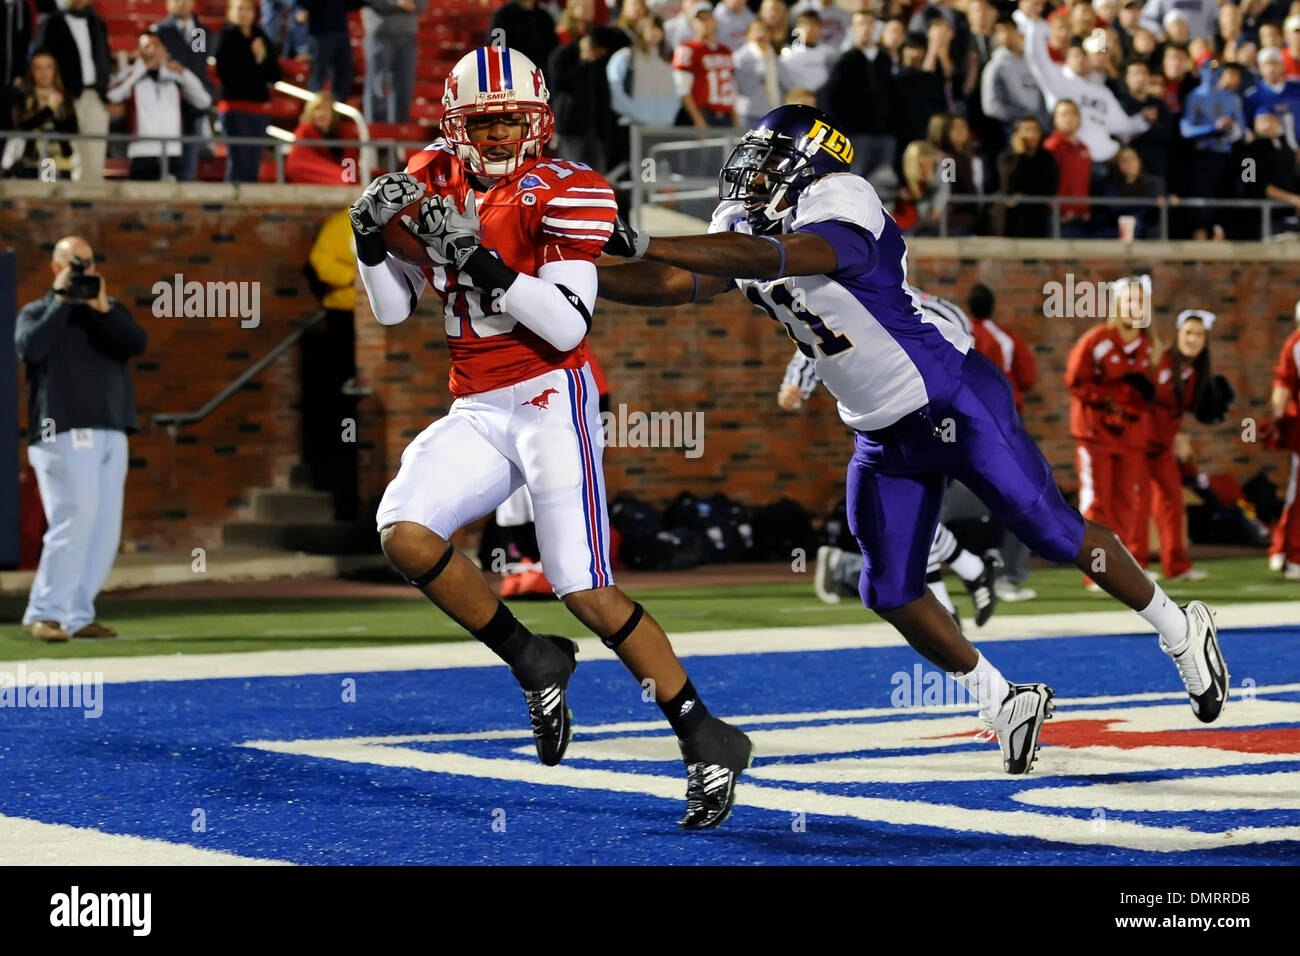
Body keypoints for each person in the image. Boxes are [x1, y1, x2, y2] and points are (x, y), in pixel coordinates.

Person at [597, 104, 1229, 776]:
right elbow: (677, 281)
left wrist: (643, 238)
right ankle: (1003, 700)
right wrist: (581, 273)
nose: (753, 175)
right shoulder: (741, 223)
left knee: (1052, 533)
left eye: (772, 159)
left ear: (809, 165)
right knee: (889, 588)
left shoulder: (844, 199)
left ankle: (1180, 627)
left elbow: (779, 255)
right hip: (880, 433)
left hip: (950, 396)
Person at [348, 45, 752, 829]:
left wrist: (477, 257)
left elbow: (567, 322)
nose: (497, 135)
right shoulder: (429, 175)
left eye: (510, 120)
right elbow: (394, 311)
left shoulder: (567, 189)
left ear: (537, 121)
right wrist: (370, 241)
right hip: (476, 403)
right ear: (456, 124)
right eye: (483, 121)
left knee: (583, 586)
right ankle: (532, 655)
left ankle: (704, 734)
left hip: (547, 394)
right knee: (403, 534)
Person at [780, 285, 1002, 627]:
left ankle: (951, 598)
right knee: (899, 515)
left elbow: (960, 360)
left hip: (924, 417)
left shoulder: (925, 309)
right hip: (879, 422)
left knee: (905, 513)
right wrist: (796, 382)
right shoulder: (844, 304)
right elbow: (814, 336)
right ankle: (968, 574)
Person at [16, 236, 147, 643]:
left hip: (112, 429)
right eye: (74, 263)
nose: (83, 271)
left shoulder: (106, 313)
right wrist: (61, 301)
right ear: (57, 268)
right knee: (73, 519)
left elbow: (134, 343)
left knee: (104, 528)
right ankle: (44, 613)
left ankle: (76, 613)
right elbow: (29, 349)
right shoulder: (38, 311)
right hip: (63, 430)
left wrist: (101, 307)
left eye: (88, 263)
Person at [1133, 309, 1232, 581]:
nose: (1193, 339)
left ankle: (1176, 566)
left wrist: (1179, 435)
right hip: (1139, 443)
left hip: (1163, 447)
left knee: (1172, 503)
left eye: (1199, 334)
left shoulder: (1195, 372)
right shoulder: (1159, 360)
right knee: (1139, 505)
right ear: (1178, 335)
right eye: (1188, 332)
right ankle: (1137, 566)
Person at [967, 282, 1038, 601]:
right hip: (1000, 426)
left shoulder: (953, 331)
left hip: (954, 425)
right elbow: (1028, 378)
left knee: (936, 502)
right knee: (1019, 497)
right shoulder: (1005, 338)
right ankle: (1008, 576)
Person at [107, 31, 212, 181]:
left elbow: (204, 101)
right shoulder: (129, 76)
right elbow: (112, 96)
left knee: (170, 202)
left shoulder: (175, 77)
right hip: (141, 153)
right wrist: (140, 71)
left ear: (164, 50)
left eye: (156, 45)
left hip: (172, 152)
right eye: (146, 46)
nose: (152, 50)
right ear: (138, 51)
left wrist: (183, 72)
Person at [31, 0, 110, 182]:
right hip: (62, 97)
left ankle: (90, 204)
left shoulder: (97, 23)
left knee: (94, 156)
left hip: (94, 97)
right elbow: (40, 58)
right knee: (55, 153)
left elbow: (104, 58)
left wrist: (105, 91)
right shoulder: (51, 23)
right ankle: (48, 201)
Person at [820, 9, 894, 179]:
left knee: (884, 184)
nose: (865, 29)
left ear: (875, 28)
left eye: (869, 24)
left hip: (884, 134)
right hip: (856, 135)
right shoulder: (845, 60)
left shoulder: (885, 58)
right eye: (861, 24)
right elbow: (833, 98)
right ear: (852, 29)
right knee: (854, 181)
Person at [214, 0, 281, 184]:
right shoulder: (225, 36)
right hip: (234, 108)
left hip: (259, 110)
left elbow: (275, 74)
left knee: (253, 164)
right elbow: (226, 74)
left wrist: (261, 60)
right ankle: (233, 207)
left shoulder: (260, 35)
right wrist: (255, 62)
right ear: (230, 12)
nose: (244, 13)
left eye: (248, 9)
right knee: (238, 163)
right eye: (239, 9)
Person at [152, 0, 214, 182]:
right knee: (168, 159)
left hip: (193, 105)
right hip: (168, 104)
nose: (180, 3)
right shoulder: (160, 30)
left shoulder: (198, 31)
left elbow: (199, 66)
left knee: (189, 160)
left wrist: (198, 92)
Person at [1266, 299, 1300, 579]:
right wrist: (1276, 420)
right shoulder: (1296, 344)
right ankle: (1291, 554)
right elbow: (1283, 383)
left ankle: (1282, 549)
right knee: (1296, 494)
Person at [5, 50, 78, 179]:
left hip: (57, 162)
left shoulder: (65, 96)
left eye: (48, 67)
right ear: (31, 71)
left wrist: (56, 111)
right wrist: (49, 109)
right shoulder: (23, 96)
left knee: (53, 197)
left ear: (55, 70)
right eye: (38, 67)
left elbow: (71, 131)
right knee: (29, 197)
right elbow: (23, 126)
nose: (44, 73)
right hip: (30, 162)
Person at [362, 0, 427, 124]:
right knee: (377, 85)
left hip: (408, 36)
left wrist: (413, 4)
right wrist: (397, 3)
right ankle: (375, 134)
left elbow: (421, 4)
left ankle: (399, 132)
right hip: (380, 34)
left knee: (404, 86)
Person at [993, 113, 1059, 237]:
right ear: (1017, 134)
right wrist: (1019, 155)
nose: (1032, 135)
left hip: (1037, 218)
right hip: (1011, 220)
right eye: (1027, 130)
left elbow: (1050, 189)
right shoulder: (1006, 157)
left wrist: (1023, 197)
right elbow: (1006, 186)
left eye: (1035, 130)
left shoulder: (1047, 158)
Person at [672, 4, 735, 127]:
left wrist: (735, 117)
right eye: (700, 20)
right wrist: (698, 119)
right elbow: (683, 89)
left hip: (726, 115)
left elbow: (733, 87)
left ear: (715, 22)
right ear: (692, 23)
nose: (705, 23)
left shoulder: (725, 50)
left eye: (708, 18)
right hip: (703, 113)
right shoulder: (687, 50)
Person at [286, 90, 357, 183]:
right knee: (344, 180)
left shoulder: (342, 133)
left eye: (326, 109)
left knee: (349, 180)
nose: (322, 114)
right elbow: (299, 159)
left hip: (328, 172)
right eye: (318, 109)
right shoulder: (305, 130)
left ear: (332, 113)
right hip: (304, 170)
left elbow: (350, 162)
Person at [489, 0, 558, 84]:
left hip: (541, 76)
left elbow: (553, 49)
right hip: (514, 77)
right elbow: (496, 50)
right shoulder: (502, 15)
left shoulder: (544, 16)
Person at [732, 18, 783, 130]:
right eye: (758, 30)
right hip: (749, 114)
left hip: (771, 112)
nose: (762, 34)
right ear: (748, 34)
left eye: (765, 30)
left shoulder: (772, 55)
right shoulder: (741, 57)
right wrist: (762, 63)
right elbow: (744, 89)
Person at [293, 0, 351, 97]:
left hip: (341, 32)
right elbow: (300, 10)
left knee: (342, 79)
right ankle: (314, 109)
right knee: (317, 79)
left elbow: (350, 4)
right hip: (320, 35)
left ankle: (338, 110)